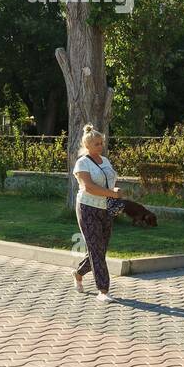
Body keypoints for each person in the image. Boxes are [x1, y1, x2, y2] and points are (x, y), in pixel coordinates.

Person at [72, 124, 123, 302]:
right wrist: (112, 193)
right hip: (87, 208)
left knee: (99, 250)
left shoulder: (106, 161)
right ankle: (103, 290)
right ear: (87, 146)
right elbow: (89, 187)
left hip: (106, 208)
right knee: (95, 248)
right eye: (96, 144)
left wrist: (114, 189)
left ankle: (78, 273)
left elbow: (109, 181)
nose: (100, 146)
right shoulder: (82, 163)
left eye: (101, 143)